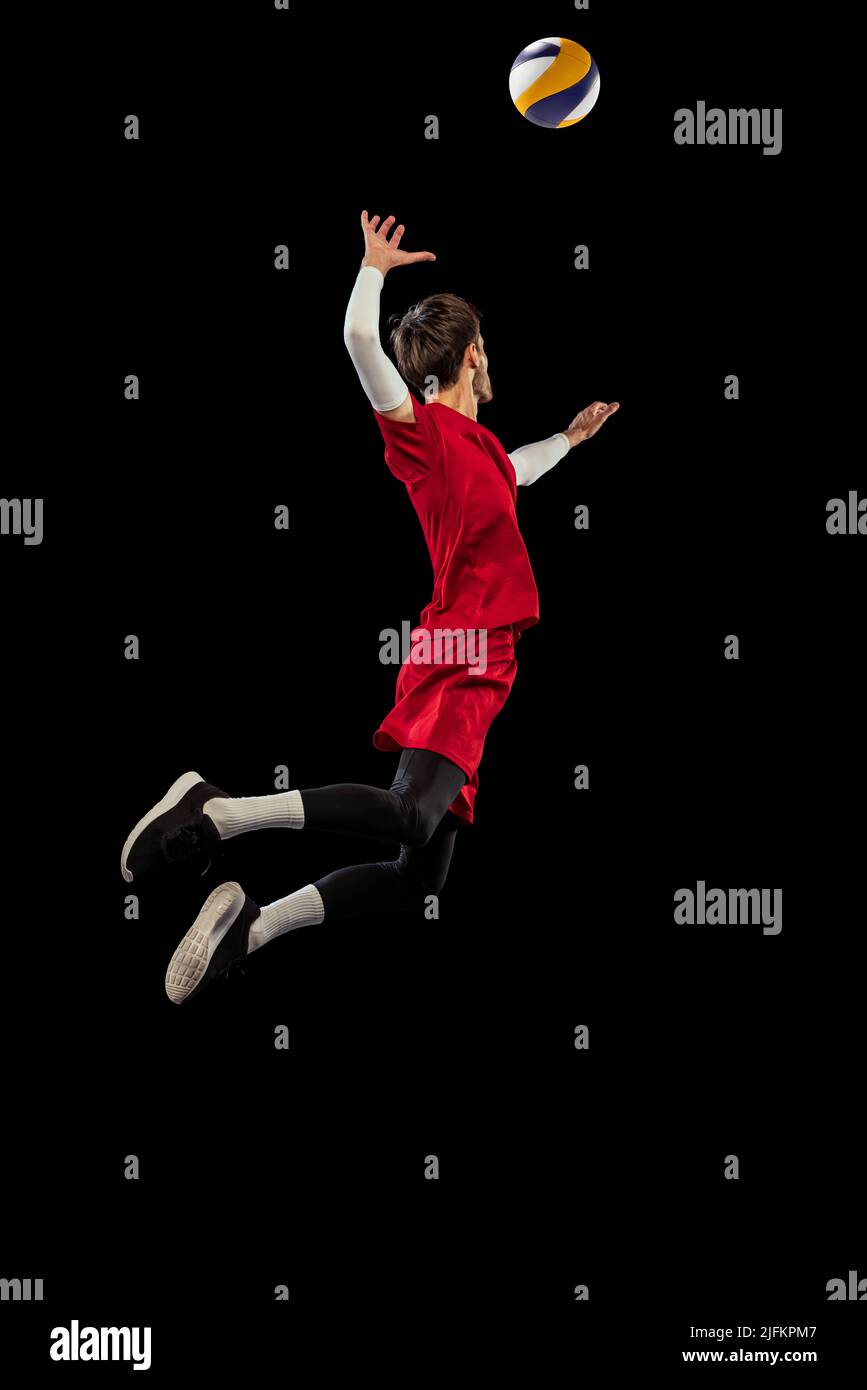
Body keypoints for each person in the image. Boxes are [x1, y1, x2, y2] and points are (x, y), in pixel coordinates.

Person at [120, 211, 619, 1004]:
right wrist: (372, 269)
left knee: (415, 877)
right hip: (463, 644)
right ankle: (218, 811)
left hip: (487, 660)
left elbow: (519, 471)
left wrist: (567, 439)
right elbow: (360, 344)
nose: (491, 359)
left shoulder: (483, 451)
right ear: (472, 355)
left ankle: (249, 926)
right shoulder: (423, 437)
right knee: (411, 816)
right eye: (484, 348)